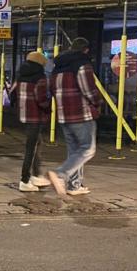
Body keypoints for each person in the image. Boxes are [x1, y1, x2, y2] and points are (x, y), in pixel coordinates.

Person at [48, 37, 103, 196]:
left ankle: (74, 185)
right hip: (81, 113)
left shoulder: (57, 68)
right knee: (88, 149)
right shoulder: (82, 64)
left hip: (63, 115)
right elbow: (88, 90)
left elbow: (52, 90)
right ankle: (59, 174)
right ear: (86, 50)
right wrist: (98, 102)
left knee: (74, 152)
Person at [13, 51, 52, 192]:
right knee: (31, 148)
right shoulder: (40, 78)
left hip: (24, 114)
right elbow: (41, 100)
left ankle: (36, 175)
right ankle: (25, 180)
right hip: (35, 116)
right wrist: (48, 106)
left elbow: (13, 94)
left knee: (36, 143)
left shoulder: (20, 76)